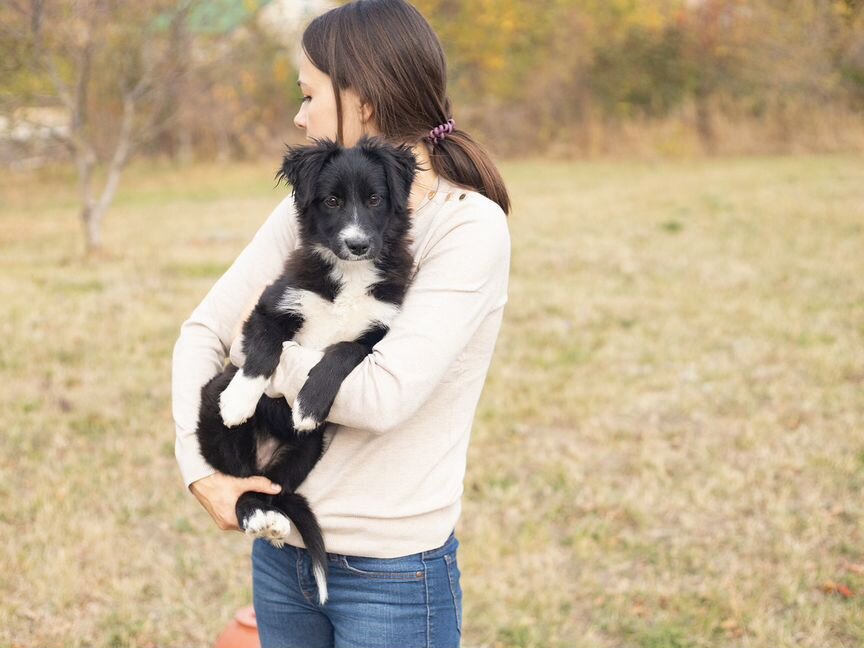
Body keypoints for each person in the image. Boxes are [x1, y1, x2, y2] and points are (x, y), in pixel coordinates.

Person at [171, 1, 511, 646]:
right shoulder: (315, 206)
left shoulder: (468, 227)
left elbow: (380, 398)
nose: (299, 116)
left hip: (392, 574)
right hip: (282, 549)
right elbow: (201, 332)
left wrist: (267, 353)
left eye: (308, 95)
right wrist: (201, 471)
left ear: (364, 99)